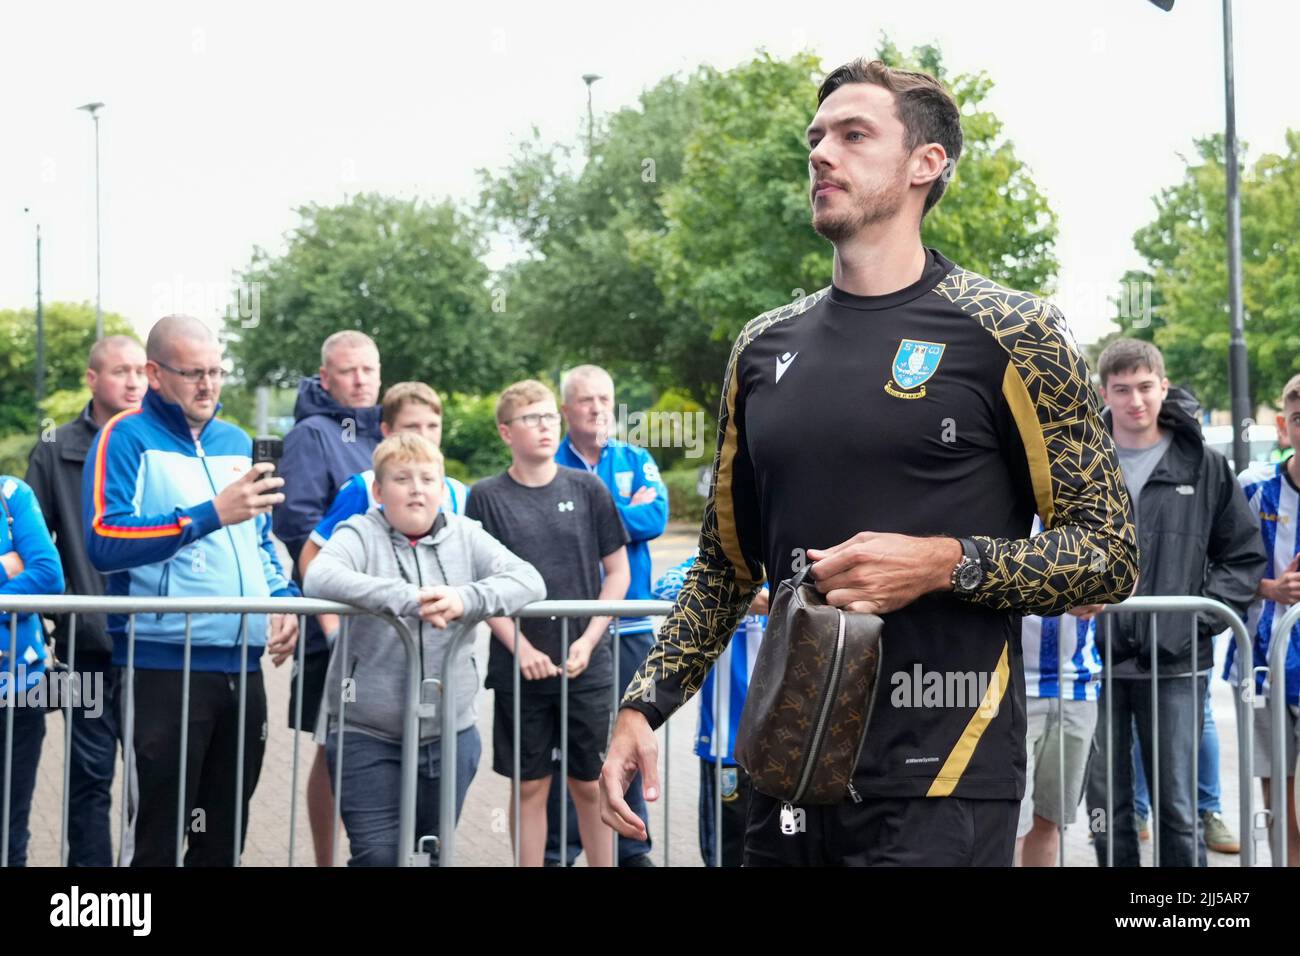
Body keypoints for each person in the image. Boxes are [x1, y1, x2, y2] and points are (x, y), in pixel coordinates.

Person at [599, 57, 1139, 867]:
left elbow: (1110, 557)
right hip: (784, 769)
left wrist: (941, 563)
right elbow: (723, 564)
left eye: (854, 135)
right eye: (816, 137)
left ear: (927, 163)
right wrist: (642, 708)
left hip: (942, 775)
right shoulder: (761, 346)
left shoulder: (1016, 331)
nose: (822, 153)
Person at [84, 315, 300, 866]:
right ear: (154, 374)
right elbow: (104, 539)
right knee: (157, 834)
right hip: (162, 665)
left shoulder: (235, 440)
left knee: (224, 835)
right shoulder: (125, 435)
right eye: (192, 373)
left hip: (242, 666)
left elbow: (259, 540)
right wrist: (206, 515)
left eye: (216, 372)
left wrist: (282, 597)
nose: (208, 385)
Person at [302, 433, 544, 865]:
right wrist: (404, 598)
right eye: (401, 478)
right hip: (366, 733)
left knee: (433, 852)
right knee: (378, 856)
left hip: (449, 733)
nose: (416, 488)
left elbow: (528, 580)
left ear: (442, 487)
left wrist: (464, 599)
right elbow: (319, 575)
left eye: (428, 478)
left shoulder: (467, 534)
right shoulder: (359, 531)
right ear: (378, 491)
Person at [1082, 339, 1264, 867]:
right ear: (1104, 393)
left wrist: (1198, 621)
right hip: (1099, 661)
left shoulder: (1203, 465)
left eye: (1145, 387)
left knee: (1178, 809)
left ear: (1164, 386)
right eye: (1122, 389)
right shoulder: (1084, 466)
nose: (1135, 400)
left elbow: (1242, 555)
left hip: (1177, 663)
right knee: (1108, 809)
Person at [466, 379, 629, 867]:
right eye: (530, 419)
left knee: (591, 782)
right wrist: (522, 648)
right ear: (505, 432)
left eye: (548, 418)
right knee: (531, 784)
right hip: (521, 668)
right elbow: (482, 590)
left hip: (588, 665)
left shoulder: (588, 488)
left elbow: (616, 573)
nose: (543, 427)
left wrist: (589, 639)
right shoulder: (485, 496)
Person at [25, 334, 146, 866]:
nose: (135, 381)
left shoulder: (160, 442)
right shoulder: (55, 449)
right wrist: (63, 611)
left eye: (142, 371)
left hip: (158, 648)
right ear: (93, 379)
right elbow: (29, 549)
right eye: (121, 371)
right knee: (90, 783)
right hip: (88, 648)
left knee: (157, 786)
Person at [547, 364, 667, 867]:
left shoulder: (635, 458)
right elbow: (554, 530)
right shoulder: (548, 464)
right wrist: (619, 510)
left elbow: (655, 517)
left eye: (604, 399)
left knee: (628, 738)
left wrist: (591, 513)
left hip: (631, 628)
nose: (597, 408)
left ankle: (632, 848)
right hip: (571, 631)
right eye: (585, 400)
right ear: (565, 410)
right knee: (569, 744)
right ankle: (563, 848)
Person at [273, 330, 383, 866]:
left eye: (368, 369)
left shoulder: (383, 436)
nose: (360, 380)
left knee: (372, 746)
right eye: (347, 371)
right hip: (333, 622)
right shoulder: (312, 435)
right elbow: (296, 525)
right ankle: (324, 860)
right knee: (334, 745)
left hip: (385, 625)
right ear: (325, 378)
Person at [1226, 371, 1300, 866]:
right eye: (1299, 420)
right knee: (1277, 798)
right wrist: (1268, 588)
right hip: (1263, 667)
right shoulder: (1254, 488)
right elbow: (1219, 566)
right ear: (1283, 426)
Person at [653, 552, 766, 867]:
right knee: (724, 851)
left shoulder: (792, 560)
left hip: (784, 747)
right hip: (725, 742)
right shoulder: (719, 562)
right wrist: (742, 596)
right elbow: (665, 584)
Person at [1016, 519, 1100, 867]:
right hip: (1012, 688)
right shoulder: (1002, 499)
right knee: (1009, 824)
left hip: (1076, 688)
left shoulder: (1090, 504)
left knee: (1049, 820)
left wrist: (1105, 587)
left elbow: (1126, 569)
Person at [0, 474, 65, 866]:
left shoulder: (11, 495)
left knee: (10, 828)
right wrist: (7, 567)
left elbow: (47, 575)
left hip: (19, 692)